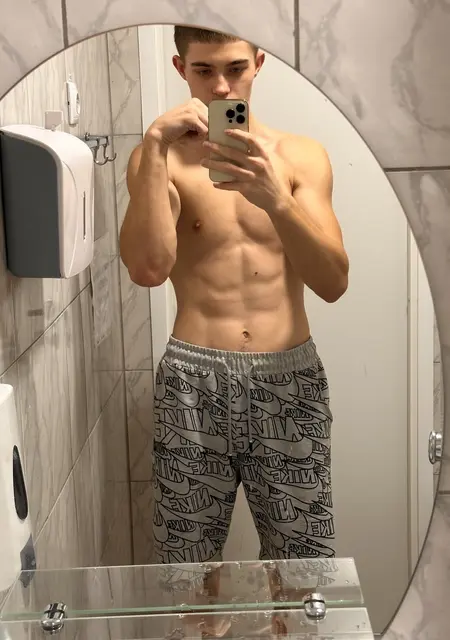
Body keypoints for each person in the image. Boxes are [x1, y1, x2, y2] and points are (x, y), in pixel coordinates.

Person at [120, 26, 349, 566]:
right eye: (204, 70)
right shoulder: (157, 161)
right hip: (192, 383)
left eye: (235, 69)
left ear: (258, 63)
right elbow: (148, 270)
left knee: (302, 567)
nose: (221, 88)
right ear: (180, 69)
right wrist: (156, 144)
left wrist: (277, 201)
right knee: (187, 572)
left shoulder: (301, 157)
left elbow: (333, 283)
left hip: (288, 380)